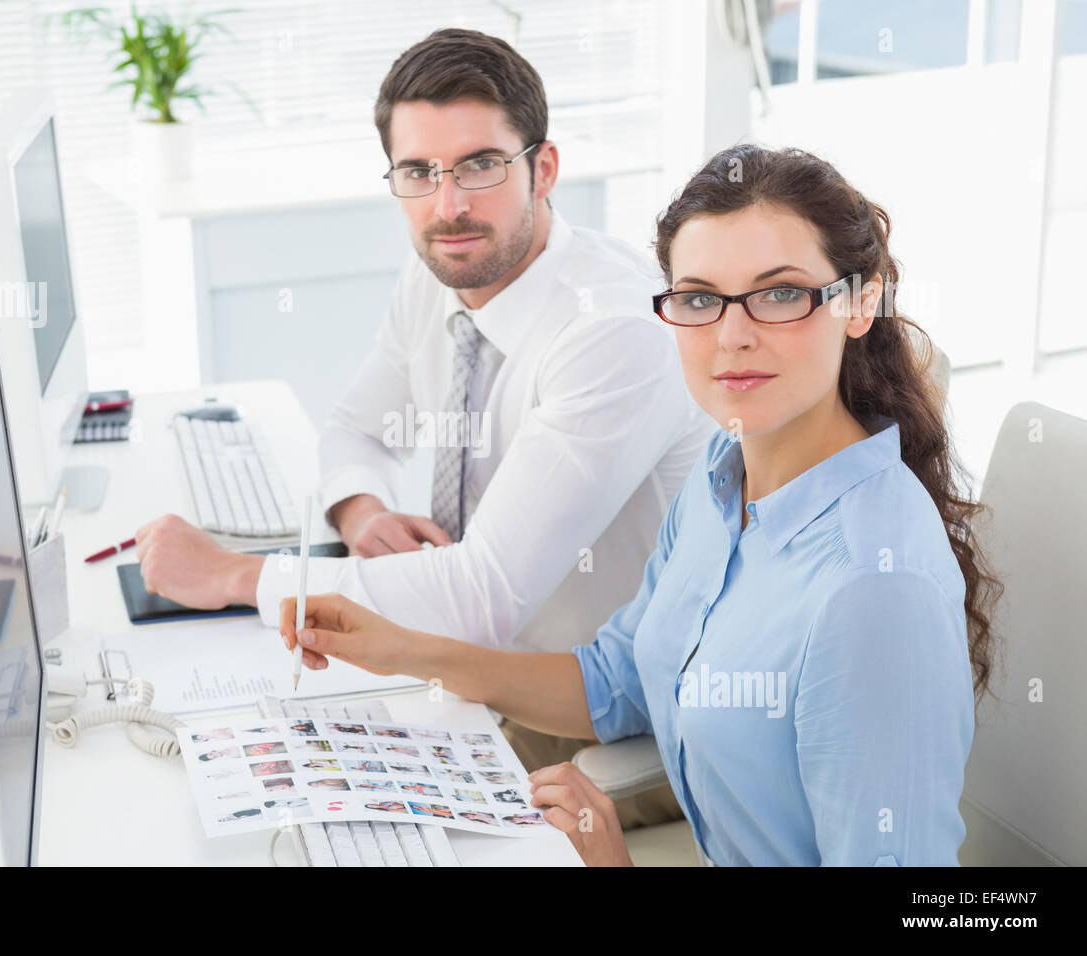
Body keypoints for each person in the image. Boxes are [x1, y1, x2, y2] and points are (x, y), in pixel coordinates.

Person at [274, 145, 1002, 866]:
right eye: (699, 299)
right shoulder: (725, 475)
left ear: (859, 302)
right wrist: (395, 646)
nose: (733, 336)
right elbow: (615, 682)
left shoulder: (872, 592)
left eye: (781, 293)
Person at [133, 28, 712, 828]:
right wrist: (363, 513)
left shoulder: (610, 329)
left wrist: (238, 579)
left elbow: (481, 596)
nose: (449, 205)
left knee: (302, 814)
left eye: (480, 165)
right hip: (473, 673)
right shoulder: (441, 268)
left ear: (543, 169)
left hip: (596, 721)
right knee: (215, 774)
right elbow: (352, 432)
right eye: (419, 173)